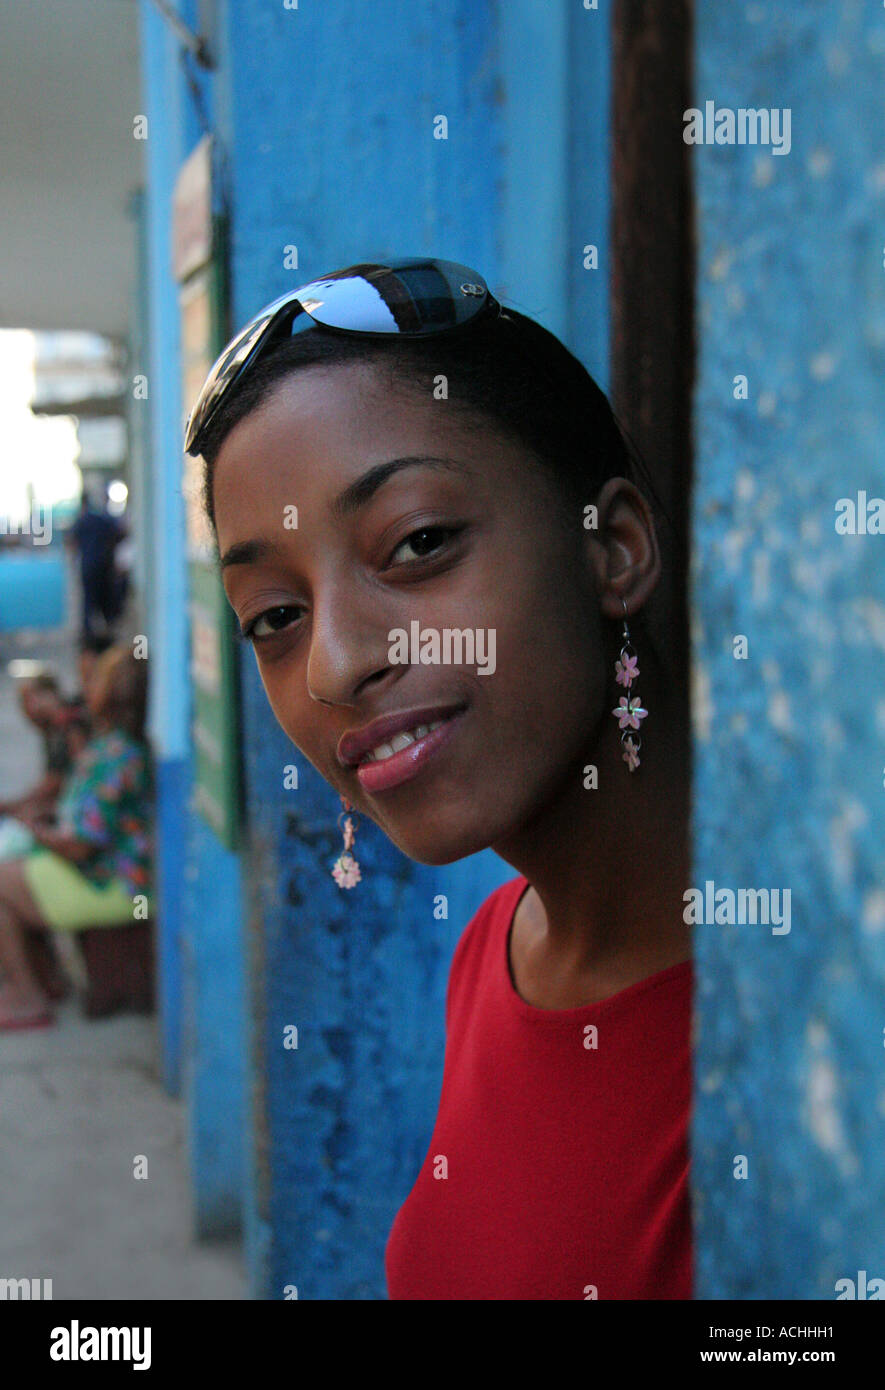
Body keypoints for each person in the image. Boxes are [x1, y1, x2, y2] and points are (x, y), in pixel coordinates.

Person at [185, 258, 693, 1300]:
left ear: (616, 549)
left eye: (417, 543)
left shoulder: (807, 1026)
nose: (333, 666)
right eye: (274, 617)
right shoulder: (493, 953)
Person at [0, 644, 153, 1029]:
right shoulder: (110, 748)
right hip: (104, 875)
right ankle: (42, 982)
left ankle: (29, 995)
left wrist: (37, 830)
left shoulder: (117, 756)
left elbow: (79, 845)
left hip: (118, 887)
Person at [65, 490, 125, 638]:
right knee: (104, 597)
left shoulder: (83, 520)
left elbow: (71, 541)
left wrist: (74, 560)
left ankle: (89, 632)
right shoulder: (103, 519)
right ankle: (106, 628)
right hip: (103, 565)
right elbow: (119, 534)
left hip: (89, 566)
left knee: (89, 599)